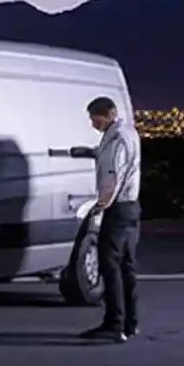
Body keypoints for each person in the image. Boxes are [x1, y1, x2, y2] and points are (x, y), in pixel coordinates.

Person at [78, 95, 142, 343]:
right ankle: (130, 322)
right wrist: (90, 153)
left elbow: (113, 174)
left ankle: (114, 324)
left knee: (110, 265)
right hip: (130, 207)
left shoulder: (117, 139)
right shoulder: (127, 133)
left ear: (109, 114)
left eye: (96, 118)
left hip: (118, 208)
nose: (93, 124)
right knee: (127, 266)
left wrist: (101, 205)